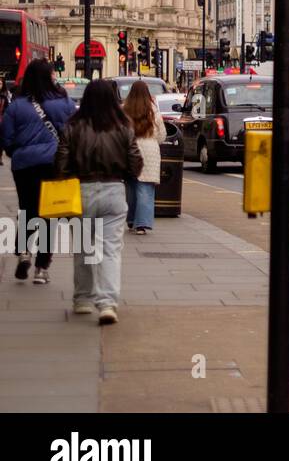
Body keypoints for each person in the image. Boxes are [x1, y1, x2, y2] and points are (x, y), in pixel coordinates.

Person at [53, 79, 142, 325]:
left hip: (81, 190)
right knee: (110, 249)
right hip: (113, 190)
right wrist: (127, 174)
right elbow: (135, 162)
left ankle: (82, 299)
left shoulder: (73, 126)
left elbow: (61, 162)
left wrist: (66, 178)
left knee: (83, 248)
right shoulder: (123, 125)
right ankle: (107, 303)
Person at [0, 60, 76, 285]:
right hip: (54, 163)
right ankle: (41, 268)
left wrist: (17, 152)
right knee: (50, 214)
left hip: (24, 165)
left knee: (27, 208)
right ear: (49, 77)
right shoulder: (64, 102)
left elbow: (5, 136)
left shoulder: (17, 106)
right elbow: (74, 130)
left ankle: (24, 252)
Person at [122, 81, 166, 235]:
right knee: (145, 188)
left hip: (130, 149)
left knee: (132, 187)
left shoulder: (125, 109)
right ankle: (142, 224)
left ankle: (132, 219)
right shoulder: (153, 110)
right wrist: (154, 141)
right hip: (150, 151)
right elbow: (162, 134)